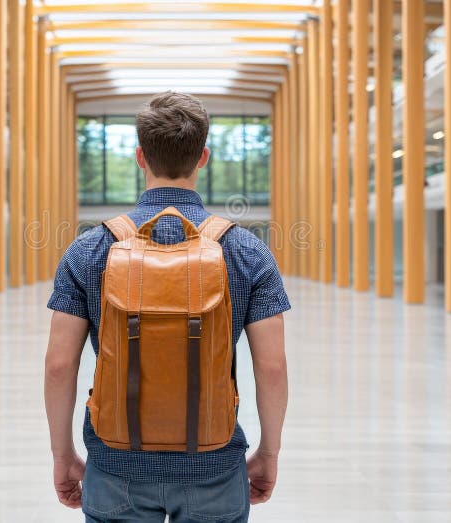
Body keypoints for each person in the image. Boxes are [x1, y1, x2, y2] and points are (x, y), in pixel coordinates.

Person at [44, 91, 289, 522]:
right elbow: (271, 367)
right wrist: (269, 450)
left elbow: (59, 366)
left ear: (140, 157)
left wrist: (63, 453)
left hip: (115, 462)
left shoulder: (91, 248)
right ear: (204, 157)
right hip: (214, 462)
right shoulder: (246, 250)